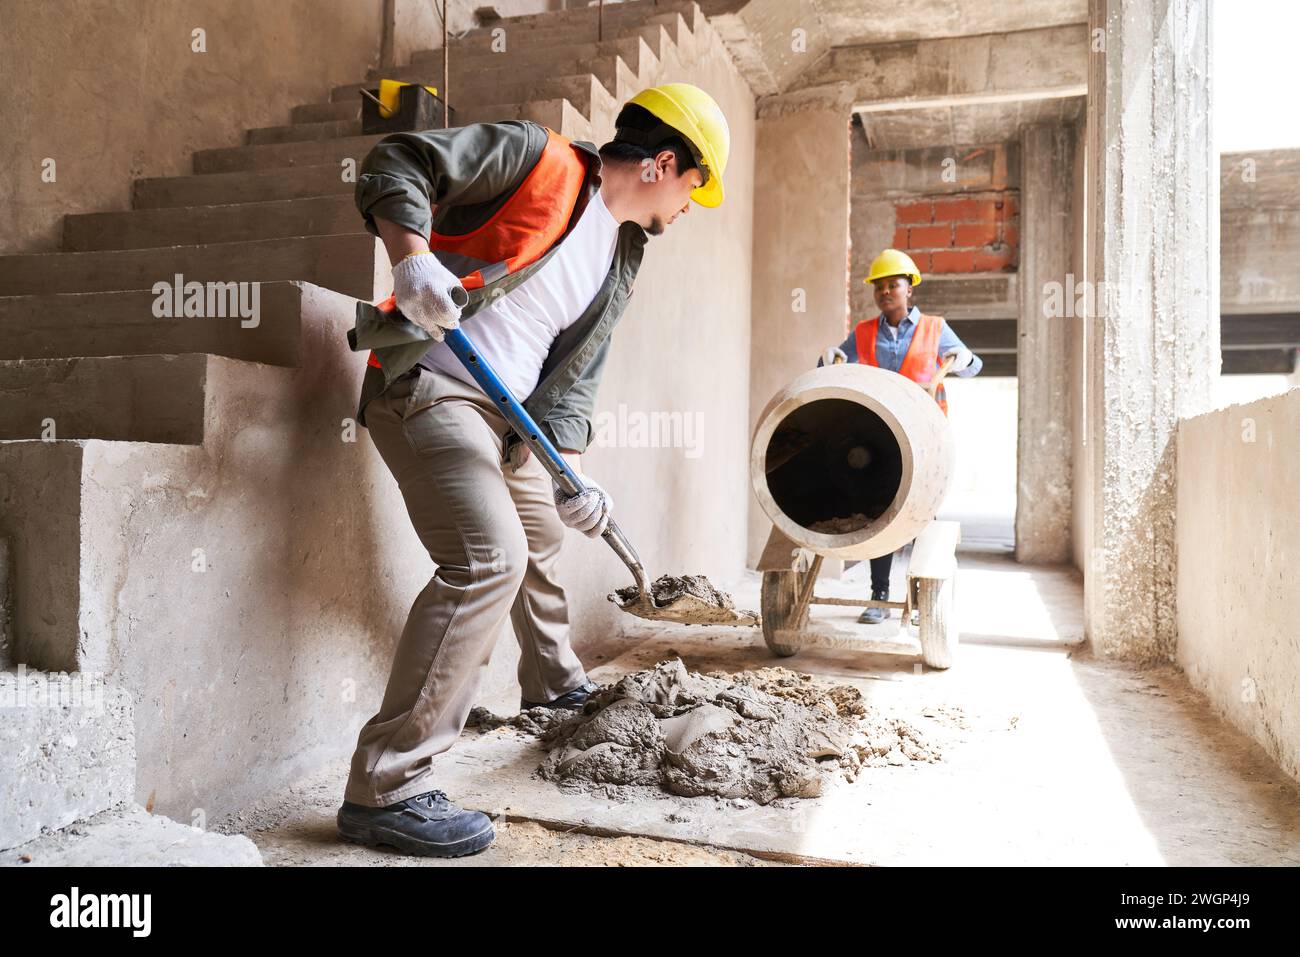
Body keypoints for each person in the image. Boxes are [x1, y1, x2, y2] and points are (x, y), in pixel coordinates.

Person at [336, 83, 731, 857]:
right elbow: (398, 160)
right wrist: (412, 261)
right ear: (662, 163)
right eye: (692, 187)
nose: (688, 207)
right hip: (435, 381)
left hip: (507, 420)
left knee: (541, 525)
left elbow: (577, 373)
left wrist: (572, 474)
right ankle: (387, 784)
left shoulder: (623, 253)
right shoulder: (535, 157)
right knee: (490, 557)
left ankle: (551, 685)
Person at [819, 248, 981, 624]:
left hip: (925, 436)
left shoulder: (936, 330)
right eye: (880, 287)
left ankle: (922, 594)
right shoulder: (862, 333)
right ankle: (879, 595)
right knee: (881, 512)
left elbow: (972, 366)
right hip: (880, 435)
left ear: (910, 290)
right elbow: (831, 366)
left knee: (923, 516)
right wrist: (828, 357)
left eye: (894, 285)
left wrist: (964, 358)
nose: (886, 292)